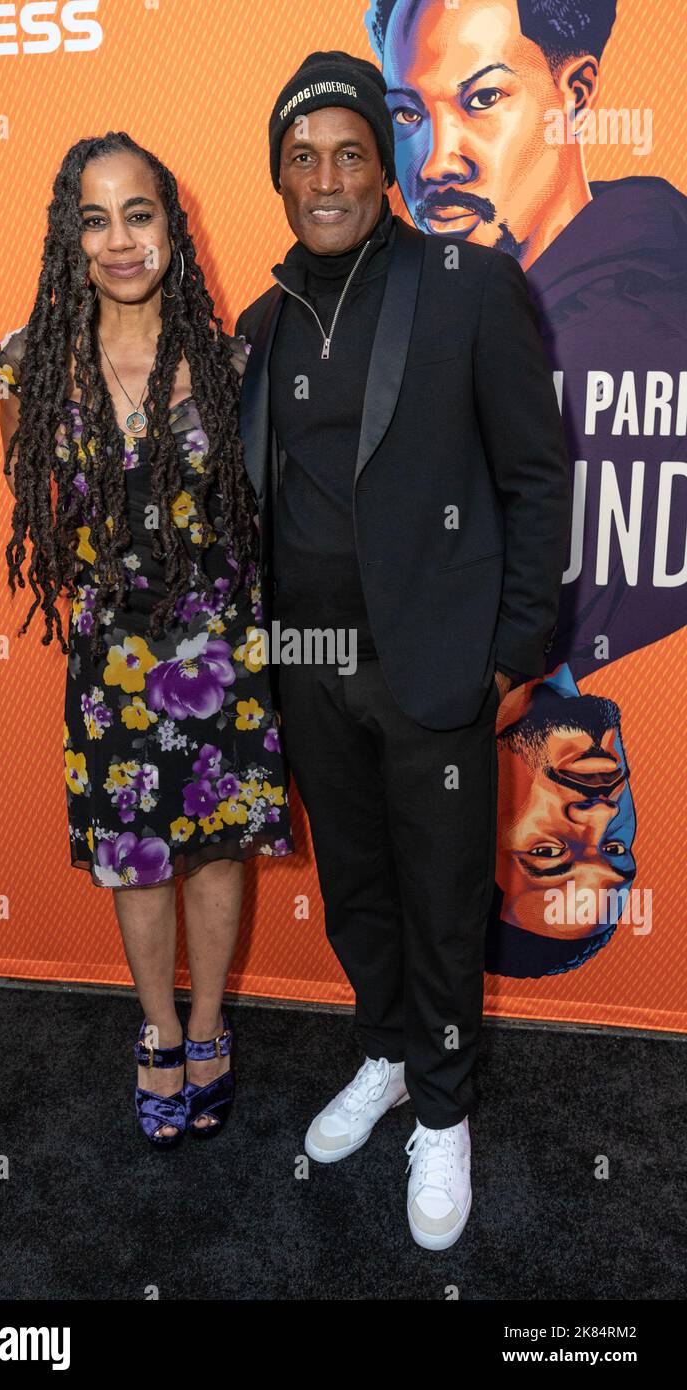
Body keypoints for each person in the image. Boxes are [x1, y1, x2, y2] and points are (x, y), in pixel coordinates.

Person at [235, 52, 571, 1248]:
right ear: (278, 176)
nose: (325, 176)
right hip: (309, 664)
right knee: (360, 892)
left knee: (440, 906)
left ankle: (443, 1110)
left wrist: (515, 647)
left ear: (387, 165)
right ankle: (382, 1053)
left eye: (347, 151)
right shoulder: (261, 326)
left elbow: (536, 476)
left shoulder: (467, 286)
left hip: (436, 665)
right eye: (301, 155)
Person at [0, 131, 294, 1147]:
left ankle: (209, 1023)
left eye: (138, 213)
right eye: (94, 218)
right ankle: (157, 1028)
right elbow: (41, 506)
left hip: (221, 649)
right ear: (68, 238)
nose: (120, 239)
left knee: (213, 851)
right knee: (138, 857)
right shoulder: (25, 365)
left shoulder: (234, 364)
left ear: (172, 223)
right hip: (112, 659)